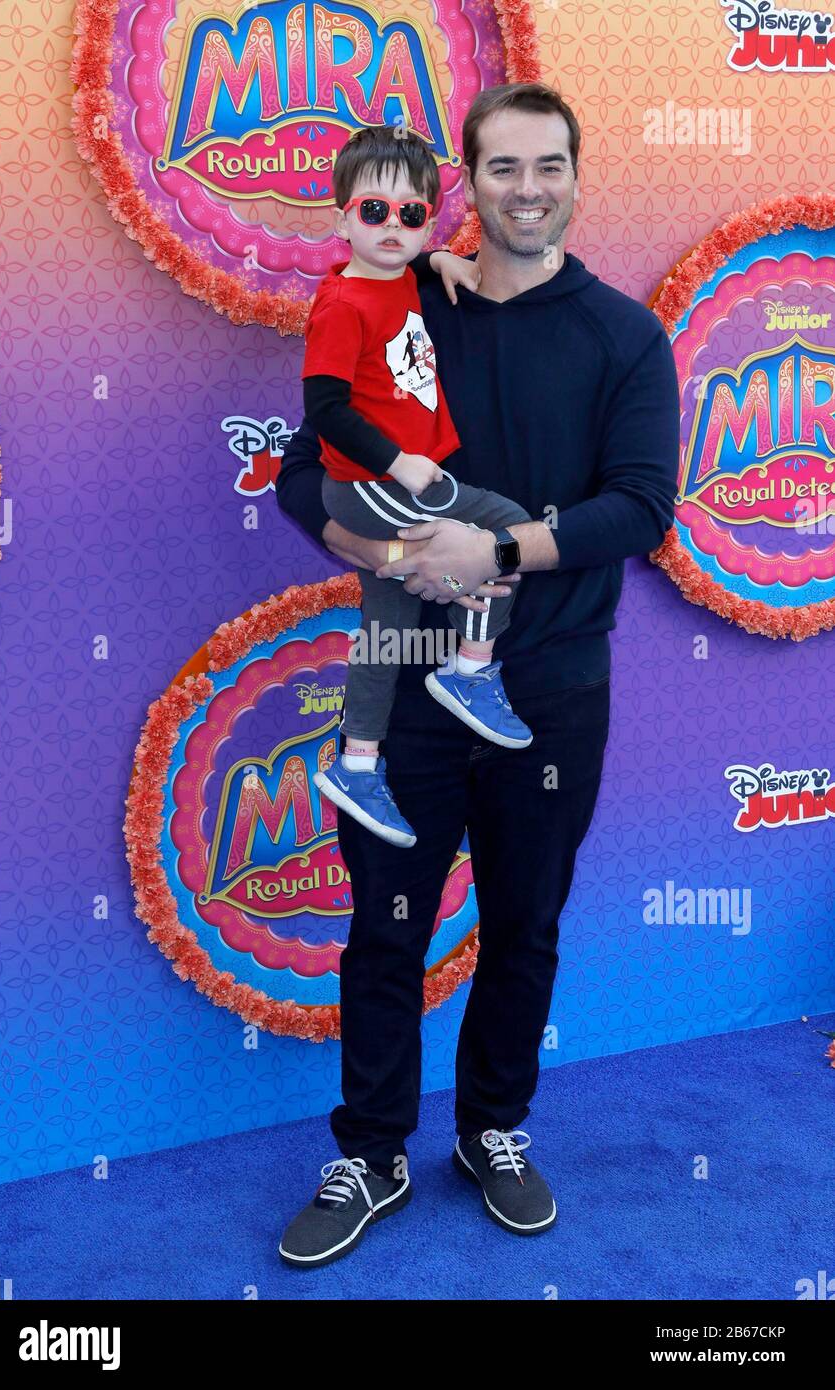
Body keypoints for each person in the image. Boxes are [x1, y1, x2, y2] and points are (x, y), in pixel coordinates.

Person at [275, 82, 680, 1269]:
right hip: (405, 680)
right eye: (501, 167)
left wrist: (494, 553)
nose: (526, 188)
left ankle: (490, 1128)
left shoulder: (622, 335)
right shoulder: (405, 301)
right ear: (466, 181)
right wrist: (373, 548)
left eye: (547, 165)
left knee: (522, 924)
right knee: (384, 928)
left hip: (548, 688)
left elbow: (639, 508)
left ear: (576, 175)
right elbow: (304, 467)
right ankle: (372, 1151)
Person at [302, 123, 536, 852]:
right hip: (374, 484)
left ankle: (357, 763)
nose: (392, 227)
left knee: (387, 627)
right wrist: (398, 462)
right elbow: (325, 408)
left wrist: (442, 261)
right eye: (374, 211)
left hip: (389, 483)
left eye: (411, 214)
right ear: (342, 218)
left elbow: (413, 258)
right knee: (503, 527)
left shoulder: (400, 273)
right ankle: (470, 669)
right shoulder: (343, 305)